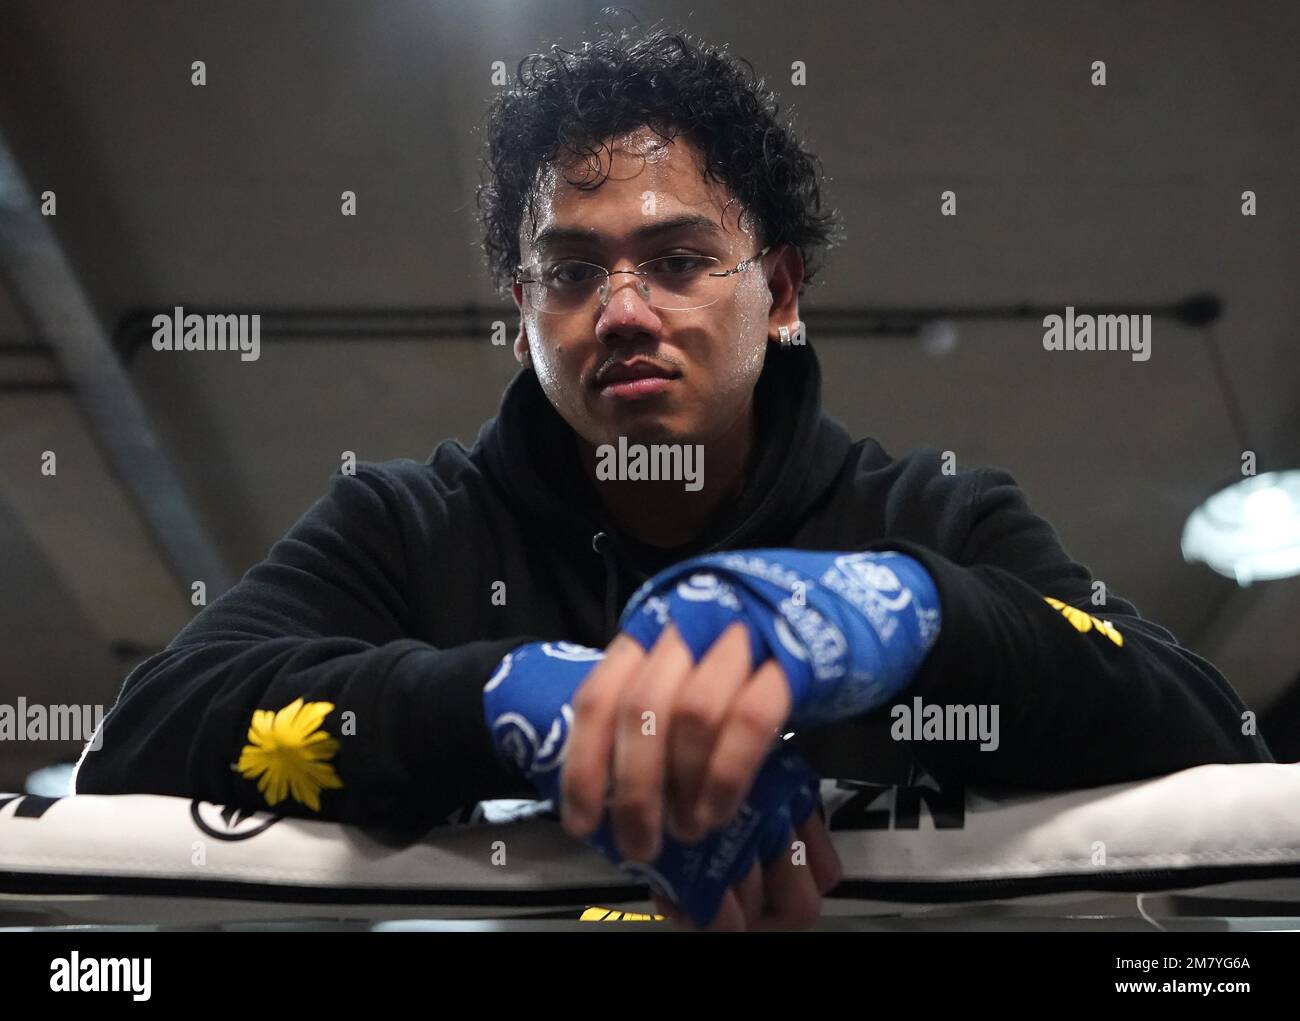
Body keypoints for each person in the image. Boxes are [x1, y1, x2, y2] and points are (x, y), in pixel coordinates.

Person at [73, 26, 1271, 930]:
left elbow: (1220, 751)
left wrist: (891, 612)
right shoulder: (403, 525)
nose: (624, 312)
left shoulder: (932, 515)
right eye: (571, 273)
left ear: (782, 292)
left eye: (681, 259)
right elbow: (141, 741)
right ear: (522, 313)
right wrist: (518, 699)